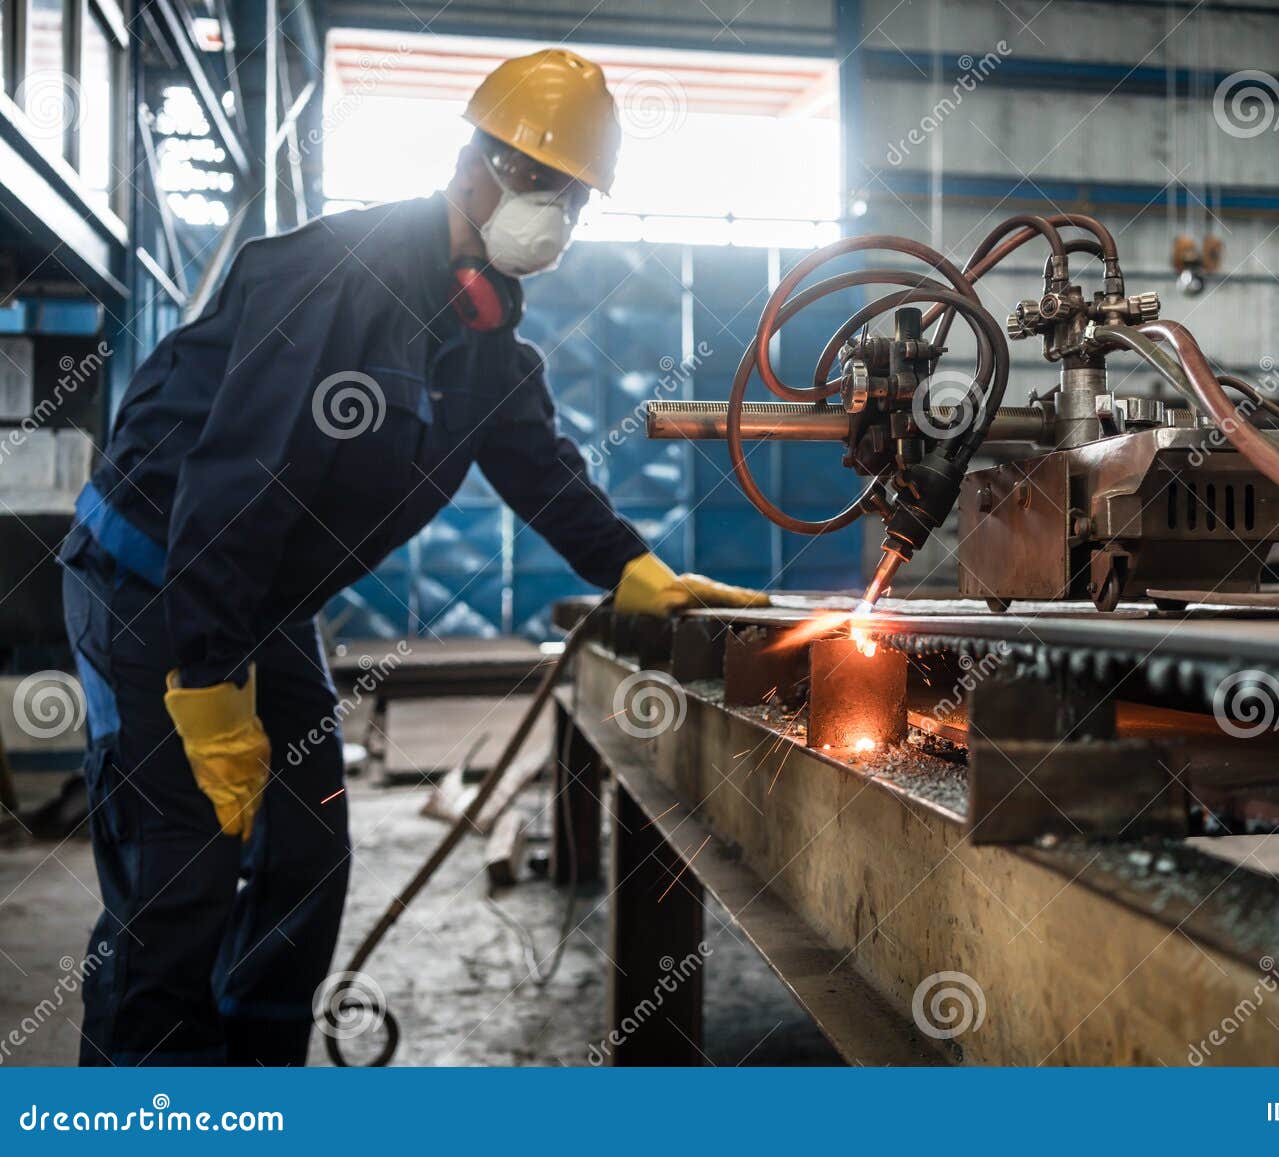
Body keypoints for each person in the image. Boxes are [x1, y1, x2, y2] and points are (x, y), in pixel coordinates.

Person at [59, 48, 764, 1066]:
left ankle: (254, 1081)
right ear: (472, 162)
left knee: (305, 853)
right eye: (538, 178)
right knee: (181, 877)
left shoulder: (485, 340)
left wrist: (632, 570)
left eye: (572, 194)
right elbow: (236, 482)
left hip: (257, 601)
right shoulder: (332, 277)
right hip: (152, 580)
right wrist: (208, 684)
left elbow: (541, 471)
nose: (555, 211)